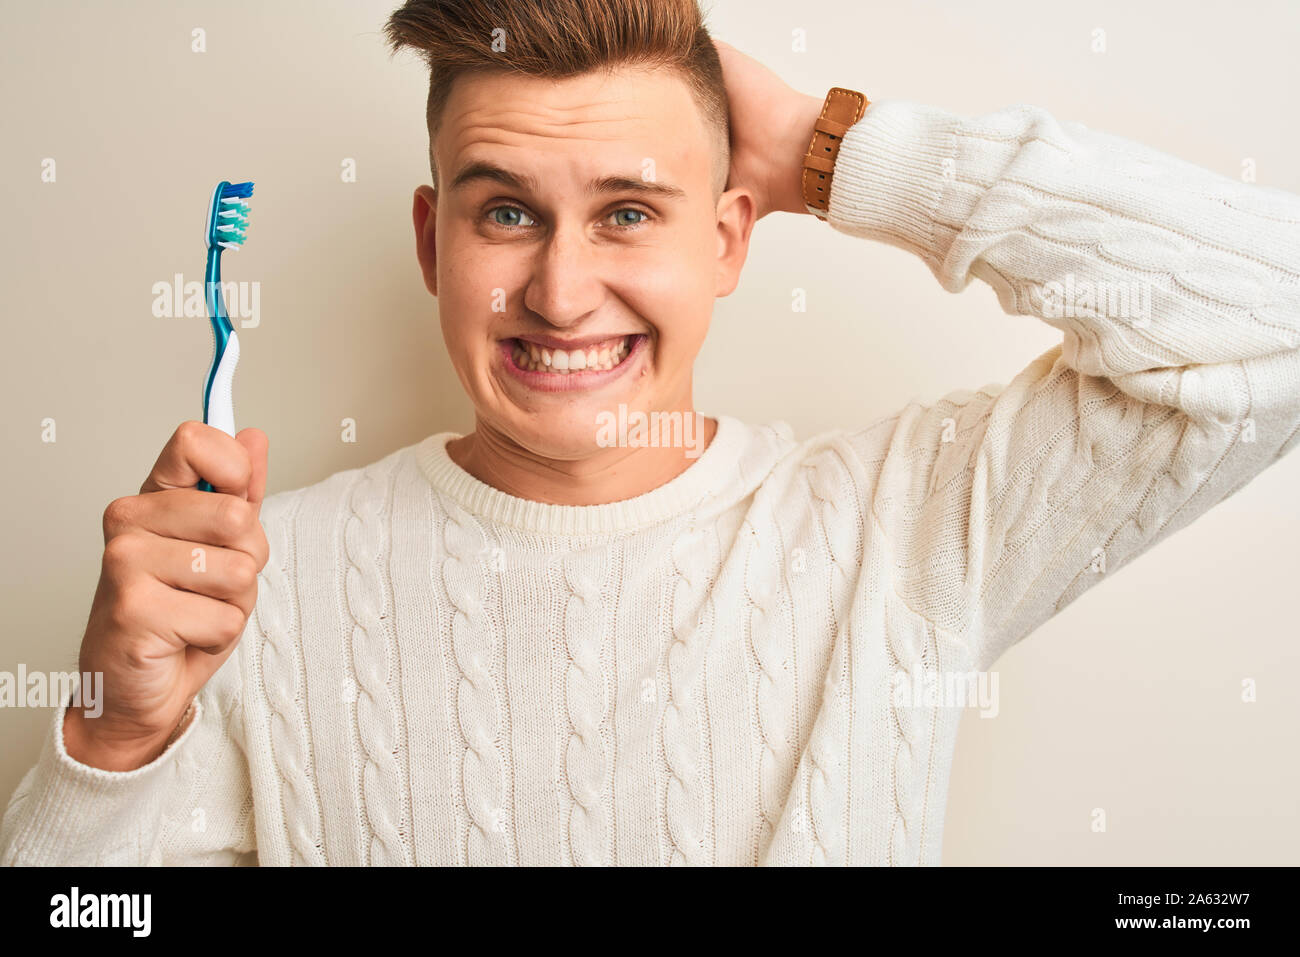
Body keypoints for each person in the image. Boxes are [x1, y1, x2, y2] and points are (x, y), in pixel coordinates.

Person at [3, 0, 1297, 866]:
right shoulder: (249, 591)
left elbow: (1274, 319)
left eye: (628, 212)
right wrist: (114, 739)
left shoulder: (906, 526)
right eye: (505, 212)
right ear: (429, 239)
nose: (562, 293)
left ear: (730, 235)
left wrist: (831, 147)